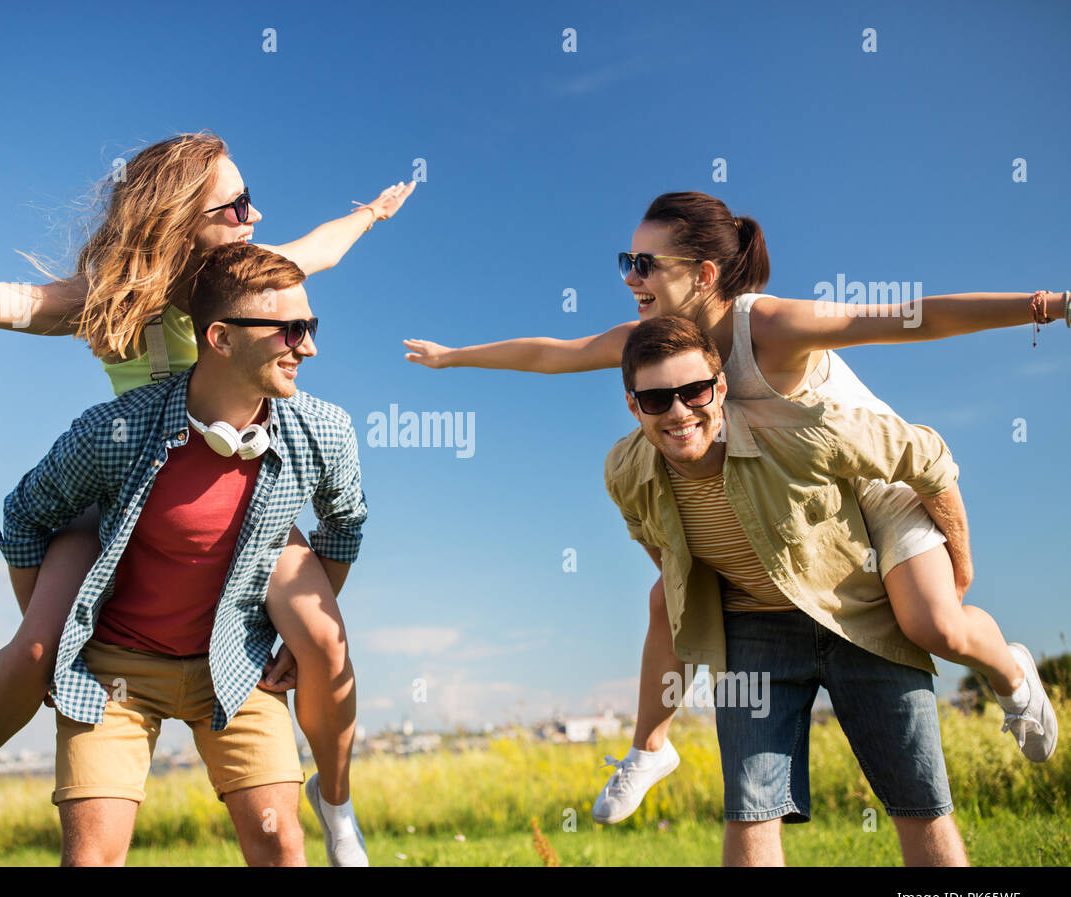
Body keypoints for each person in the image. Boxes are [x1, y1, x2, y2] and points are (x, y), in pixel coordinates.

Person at [0, 131, 412, 866]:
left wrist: (371, 214)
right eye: (235, 206)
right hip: (119, 490)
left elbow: (324, 247)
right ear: (179, 218)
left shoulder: (252, 288)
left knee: (324, 638)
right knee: (38, 647)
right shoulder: (115, 302)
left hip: (242, 495)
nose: (254, 216)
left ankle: (337, 810)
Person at [402, 191, 1063, 823]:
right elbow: (558, 354)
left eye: (646, 263)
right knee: (669, 596)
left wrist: (1045, 305)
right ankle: (649, 748)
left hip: (873, 474)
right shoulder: (655, 341)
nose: (631, 275)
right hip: (796, 493)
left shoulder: (769, 324)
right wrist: (453, 357)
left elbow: (912, 316)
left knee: (934, 626)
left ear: (704, 272)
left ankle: (1011, 671)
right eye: (625, 261)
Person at [606, 315, 1055, 866]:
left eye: (694, 391)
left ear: (719, 387)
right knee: (749, 810)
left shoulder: (796, 430)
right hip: (753, 631)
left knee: (919, 802)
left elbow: (928, 459)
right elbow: (662, 551)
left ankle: (1008, 669)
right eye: (656, 400)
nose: (678, 412)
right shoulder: (625, 471)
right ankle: (648, 749)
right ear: (634, 406)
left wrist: (960, 566)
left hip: (860, 614)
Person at [0, 241, 363, 865]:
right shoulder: (118, 431)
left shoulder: (324, 431)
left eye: (312, 327)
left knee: (277, 841)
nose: (310, 347)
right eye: (291, 330)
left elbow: (344, 527)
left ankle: (338, 807)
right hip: (114, 674)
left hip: (236, 669)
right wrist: (54, 638)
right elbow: (25, 516)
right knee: (92, 859)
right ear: (220, 338)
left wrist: (298, 637)